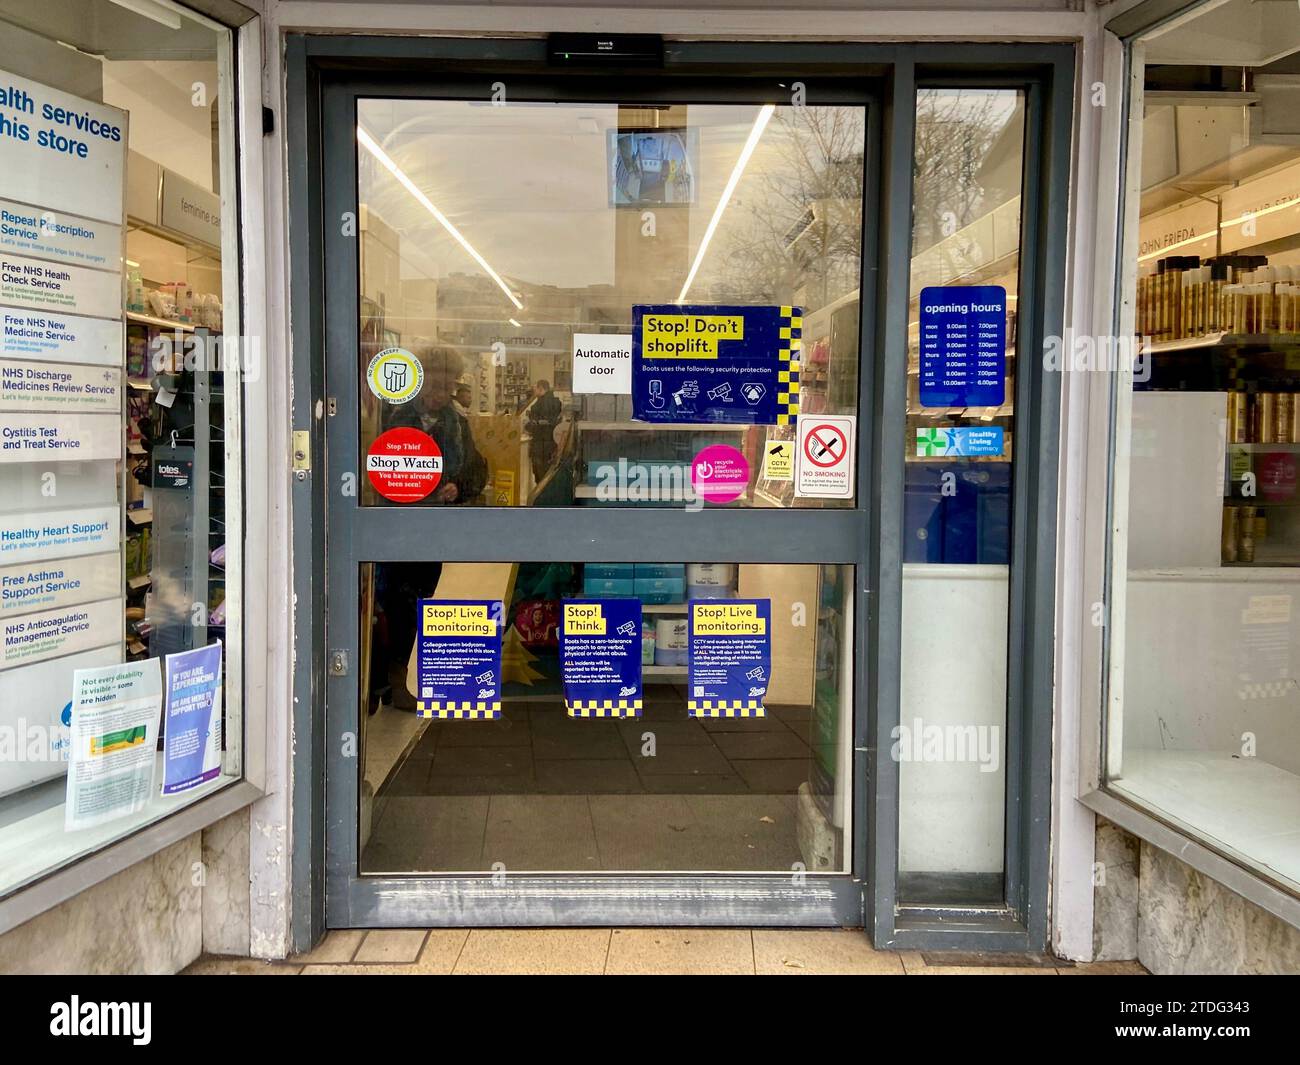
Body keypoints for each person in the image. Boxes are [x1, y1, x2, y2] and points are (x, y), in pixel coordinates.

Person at [372, 342, 488, 710]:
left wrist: (460, 486)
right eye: (434, 386)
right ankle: (395, 679)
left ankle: (427, 676)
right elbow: (375, 467)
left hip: (438, 528)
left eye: (447, 387)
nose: (440, 395)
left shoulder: (458, 424)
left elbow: (476, 470)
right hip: (399, 526)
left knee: (430, 597)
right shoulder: (390, 418)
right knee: (397, 603)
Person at [522, 378, 562, 485]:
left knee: (540, 475)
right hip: (551, 444)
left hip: (540, 445)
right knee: (548, 474)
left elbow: (538, 423)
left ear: (541, 388)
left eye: (535, 388)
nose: (534, 391)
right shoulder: (557, 402)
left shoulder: (541, 404)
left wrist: (528, 426)